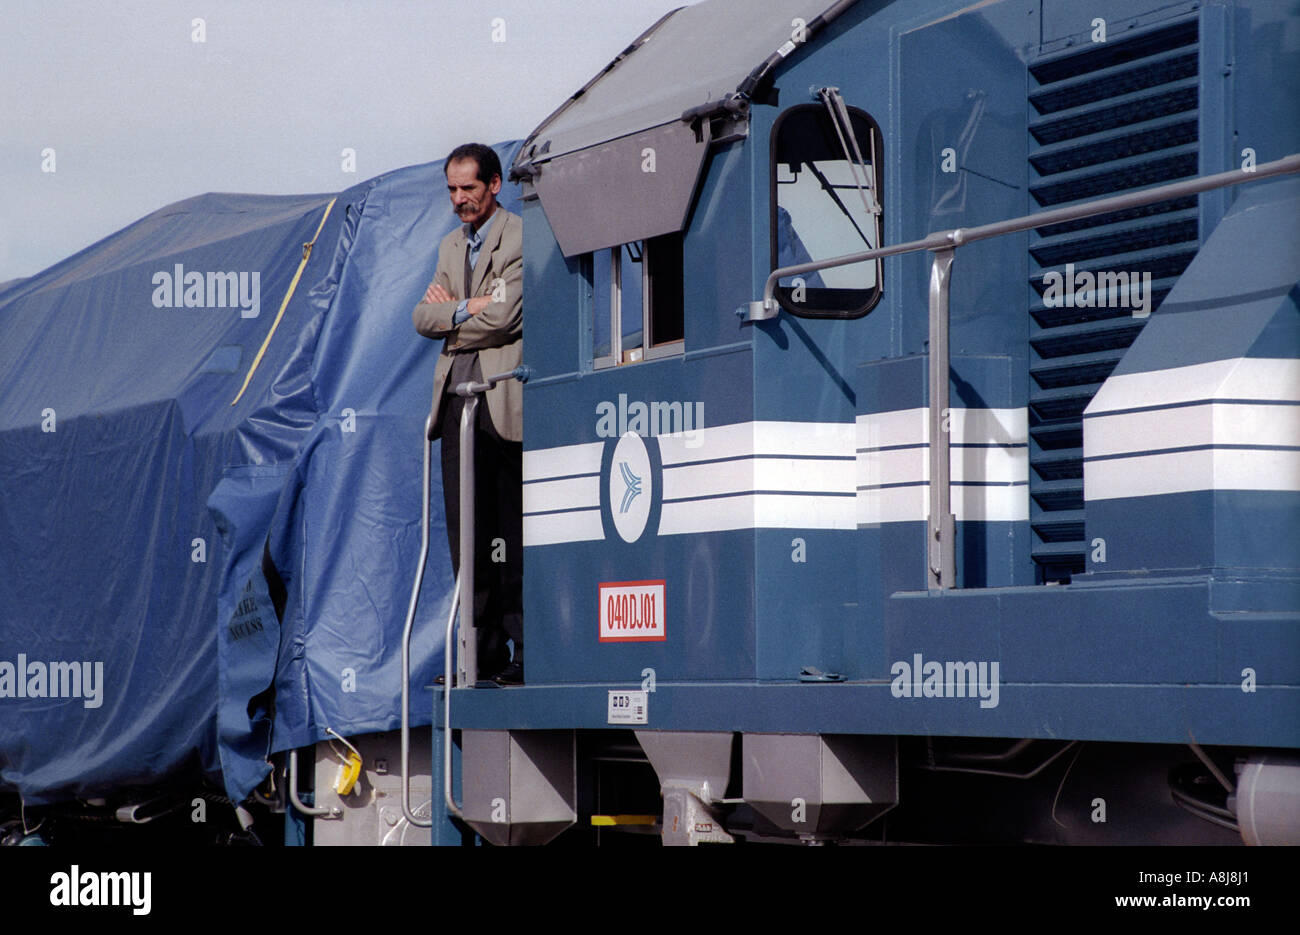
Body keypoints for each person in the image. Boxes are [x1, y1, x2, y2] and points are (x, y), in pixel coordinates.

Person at [412, 143, 523, 685]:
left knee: (510, 528)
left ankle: (522, 650)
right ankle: (476, 654)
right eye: (452, 190)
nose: (459, 200)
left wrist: (452, 312)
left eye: (469, 189)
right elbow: (420, 316)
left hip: (500, 402)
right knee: (467, 533)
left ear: (495, 186)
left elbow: (506, 317)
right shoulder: (450, 245)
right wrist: (467, 307)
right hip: (456, 401)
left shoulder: (521, 235)